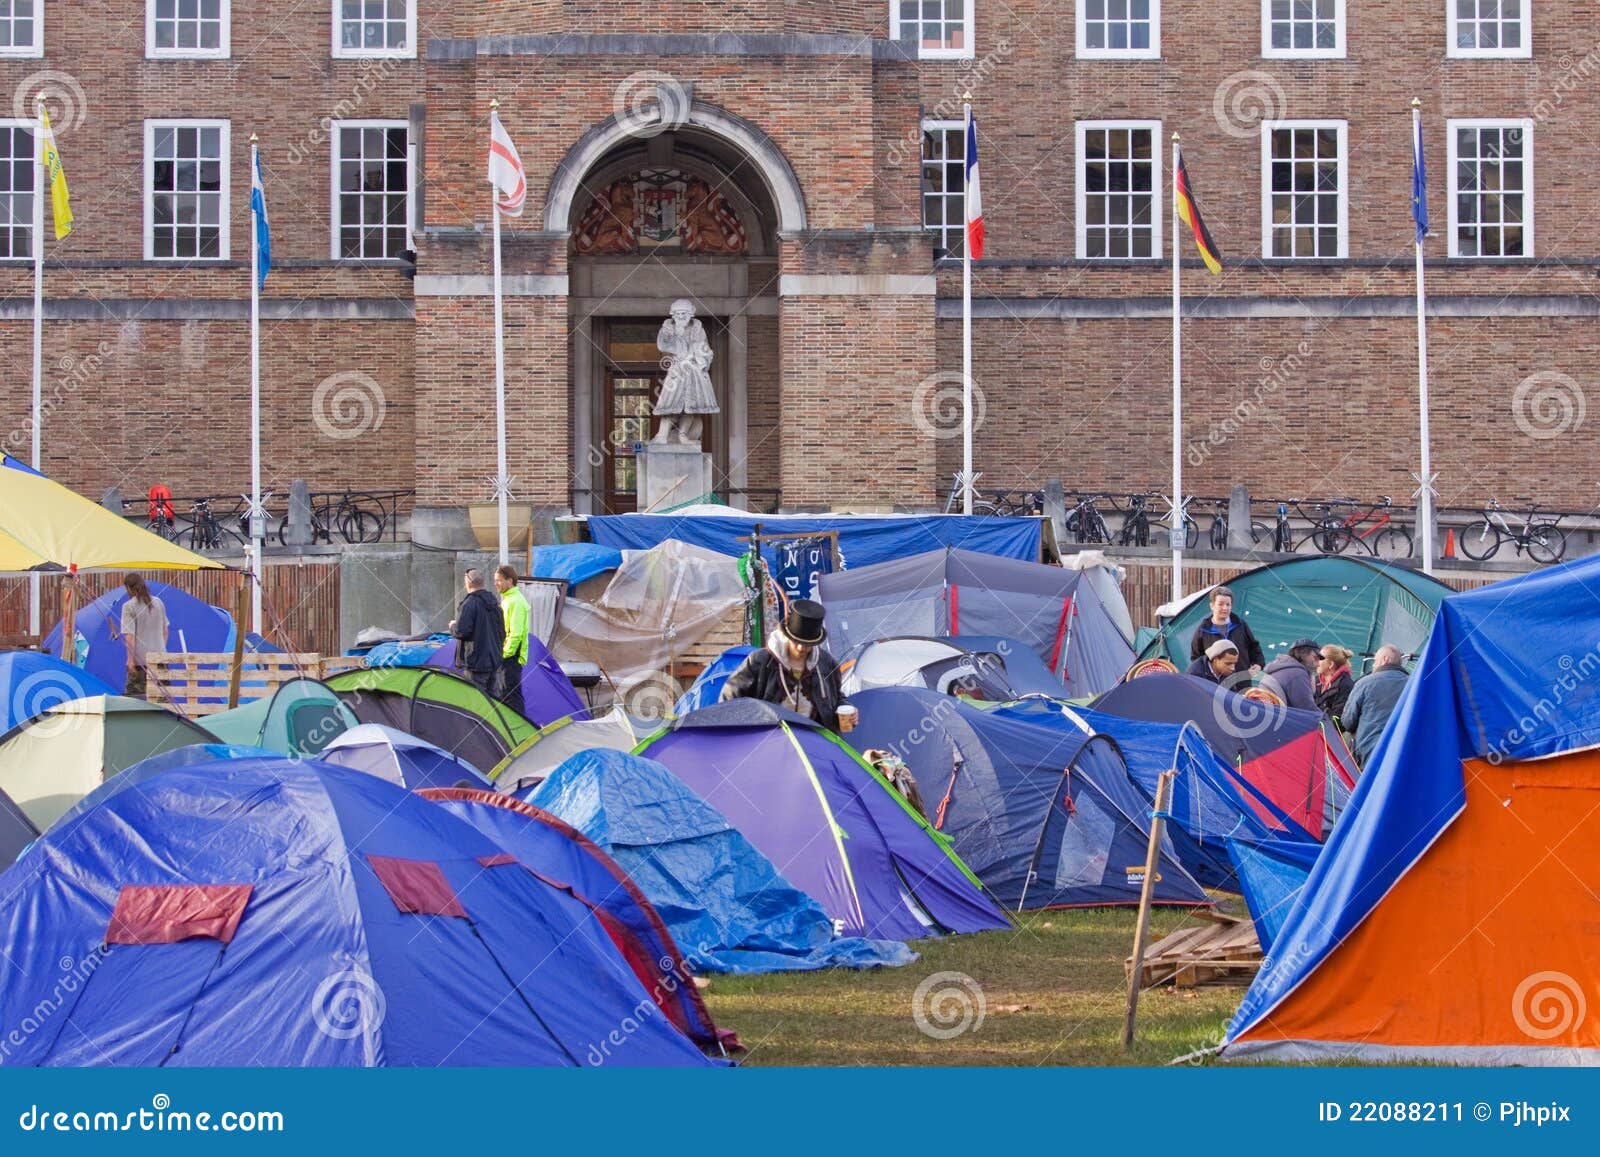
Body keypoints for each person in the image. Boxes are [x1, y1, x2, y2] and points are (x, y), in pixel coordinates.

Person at [720, 599, 854, 732]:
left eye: (808, 644)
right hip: (769, 736)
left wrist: (846, 709)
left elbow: (836, 697)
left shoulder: (827, 663)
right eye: (797, 641)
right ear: (787, 635)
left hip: (813, 737)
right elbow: (729, 697)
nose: (801, 648)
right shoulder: (760, 660)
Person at [1341, 644, 1410, 766]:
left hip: (1369, 752)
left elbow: (1348, 722)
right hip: (1405, 750)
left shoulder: (1364, 683)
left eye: (1375, 660)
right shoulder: (1414, 685)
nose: (1373, 664)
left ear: (1385, 659)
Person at [448, 569, 505, 698]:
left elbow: (462, 631)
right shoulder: (495, 603)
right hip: (494, 662)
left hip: (476, 664)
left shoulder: (469, 604)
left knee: (475, 702)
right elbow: (502, 632)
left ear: (467, 583)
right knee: (494, 704)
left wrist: (453, 626)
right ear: (483, 583)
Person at [1188, 585, 1265, 673]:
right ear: (1212, 605)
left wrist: (1259, 664)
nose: (1225, 608)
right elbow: (1196, 658)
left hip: (1241, 680)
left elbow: (1254, 647)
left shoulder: (1240, 625)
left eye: (1228, 604)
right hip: (1215, 684)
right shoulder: (1203, 630)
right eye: (1220, 604)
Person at [117, 573, 169, 699]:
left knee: (135, 699)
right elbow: (165, 631)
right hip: (160, 658)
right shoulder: (158, 602)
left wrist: (130, 660)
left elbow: (130, 636)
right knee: (162, 700)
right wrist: (160, 648)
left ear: (128, 588)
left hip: (140, 661)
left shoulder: (128, 606)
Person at [493, 564, 529, 718]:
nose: (496, 584)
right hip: (505, 657)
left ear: (510, 580)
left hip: (510, 659)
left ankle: (520, 732)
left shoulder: (516, 601)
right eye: (495, 580)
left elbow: (516, 633)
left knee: (511, 698)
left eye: (499, 580)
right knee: (505, 697)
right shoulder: (508, 599)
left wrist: (503, 654)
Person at [1261, 638, 1320, 711]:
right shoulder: (1296, 674)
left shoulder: (1279, 669)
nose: (1318, 664)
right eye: (1316, 657)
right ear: (1302, 654)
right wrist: (1327, 721)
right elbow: (1308, 709)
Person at [1315, 643, 1356, 722]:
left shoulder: (1345, 685)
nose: (1316, 661)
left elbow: (1338, 718)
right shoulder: (1316, 680)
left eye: (1320, 658)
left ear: (1331, 664)